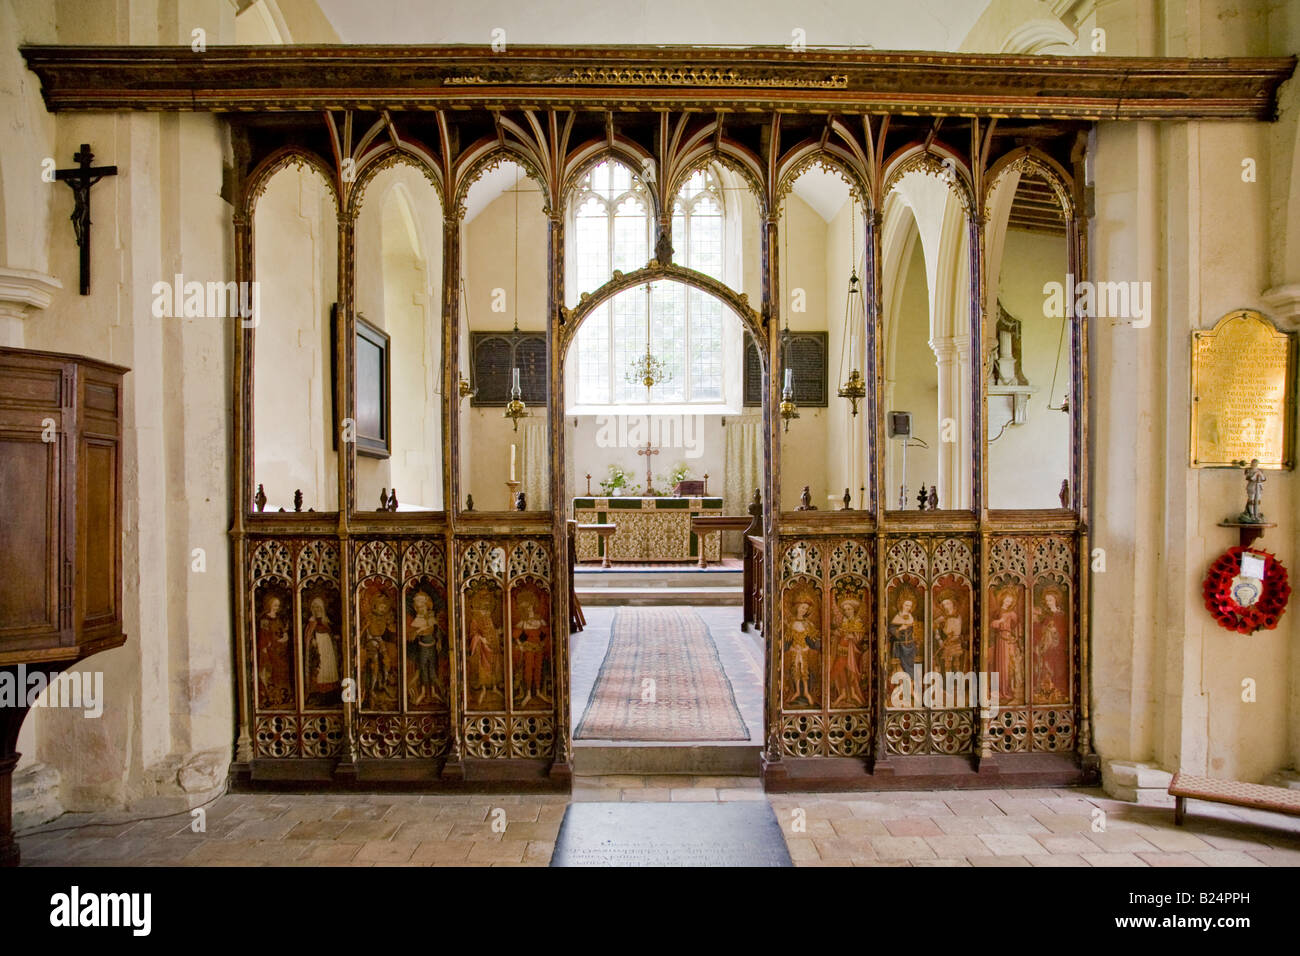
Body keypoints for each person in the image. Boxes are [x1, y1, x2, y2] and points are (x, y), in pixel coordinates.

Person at [512, 590, 550, 707]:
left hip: (538, 648)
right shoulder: (523, 622)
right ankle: (528, 693)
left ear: (533, 605)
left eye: (529, 605)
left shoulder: (539, 620)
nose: (528, 608)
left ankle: (538, 692)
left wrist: (543, 643)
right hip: (528, 648)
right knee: (528, 669)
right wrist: (520, 645)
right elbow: (515, 635)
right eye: (526, 606)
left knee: (538, 668)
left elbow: (547, 633)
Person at [829, 596, 866, 707]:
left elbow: (859, 637)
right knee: (839, 672)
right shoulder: (844, 621)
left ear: (854, 609)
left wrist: (853, 637)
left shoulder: (857, 621)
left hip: (852, 653)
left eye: (849, 609)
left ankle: (854, 695)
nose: (847, 611)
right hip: (841, 651)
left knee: (851, 673)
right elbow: (841, 632)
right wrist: (837, 634)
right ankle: (843, 694)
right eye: (845, 610)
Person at [304, 595, 339, 705]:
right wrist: (312, 641)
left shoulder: (326, 621)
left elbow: (331, 634)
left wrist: (334, 638)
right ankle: (318, 694)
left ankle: (330, 694)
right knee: (320, 670)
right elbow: (308, 637)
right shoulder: (311, 623)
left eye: (318, 607)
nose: (317, 610)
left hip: (328, 650)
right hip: (318, 650)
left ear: (322, 608)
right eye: (314, 607)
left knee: (329, 668)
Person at [785, 596, 819, 706]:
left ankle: (806, 692)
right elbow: (787, 639)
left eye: (806, 609)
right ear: (797, 607)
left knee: (805, 671)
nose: (804, 610)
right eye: (802, 607)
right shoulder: (791, 623)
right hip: (794, 649)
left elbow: (813, 639)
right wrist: (790, 647)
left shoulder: (808, 624)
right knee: (795, 670)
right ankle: (797, 692)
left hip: (805, 649)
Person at [991, 587, 1023, 704]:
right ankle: (1001, 690)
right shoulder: (998, 611)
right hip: (1000, 640)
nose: (1008, 602)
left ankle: (1009, 689)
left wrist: (1016, 636)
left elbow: (1018, 626)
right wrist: (1000, 621)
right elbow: (992, 624)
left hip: (1009, 640)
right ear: (1002, 599)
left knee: (1009, 664)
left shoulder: (1012, 613)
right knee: (1001, 663)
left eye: (1010, 600)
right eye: (1007, 599)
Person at [887, 592, 919, 680]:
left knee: (913, 660)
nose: (908, 607)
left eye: (910, 606)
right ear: (901, 605)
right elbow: (891, 630)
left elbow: (915, 631)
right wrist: (900, 628)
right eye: (906, 605)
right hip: (899, 645)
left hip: (911, 644)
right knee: (901, 664)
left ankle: (912, 680)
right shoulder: (897, 617)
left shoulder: (911, 617)